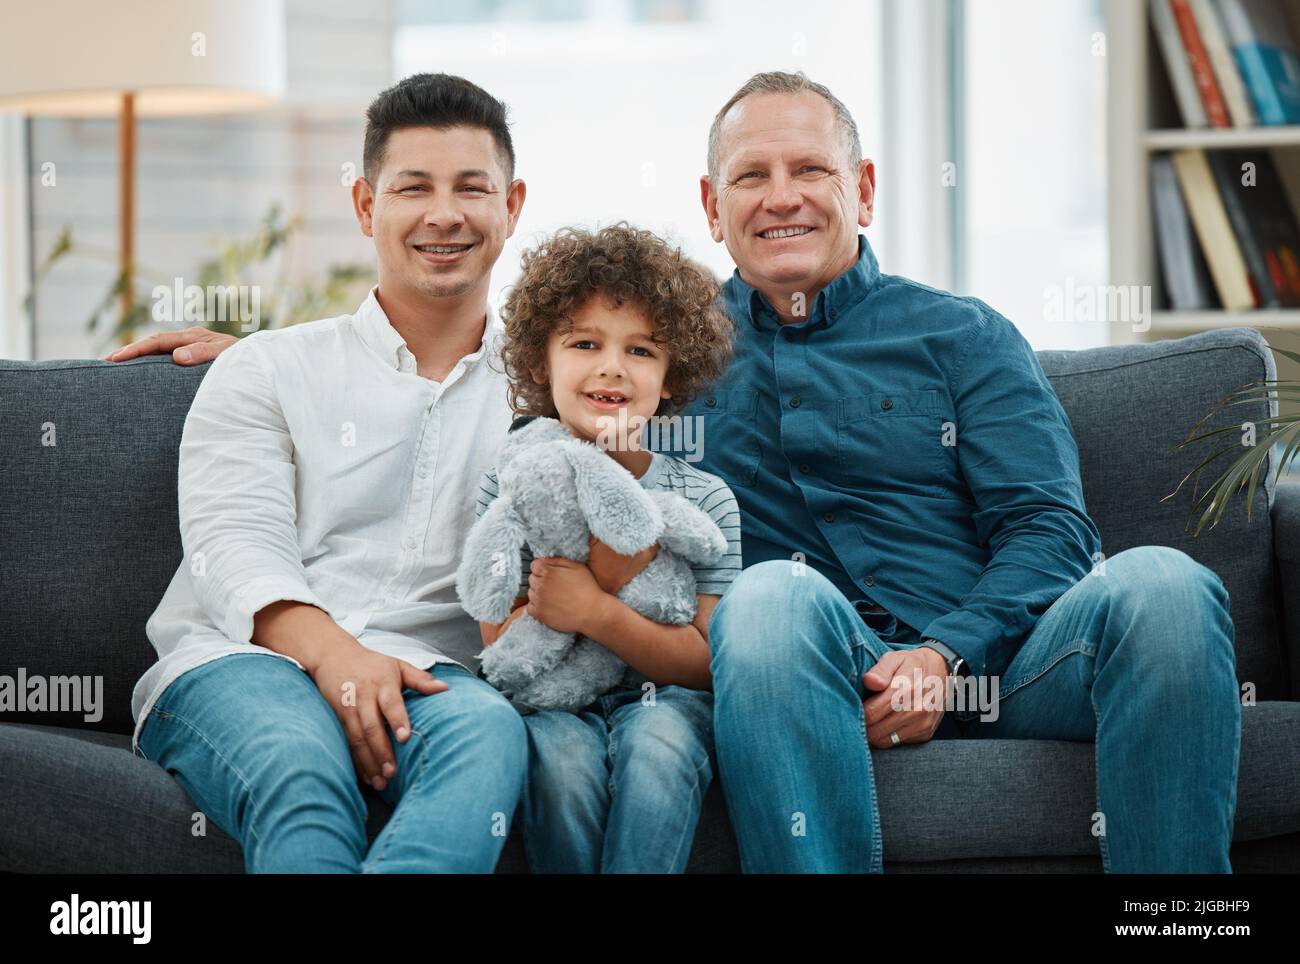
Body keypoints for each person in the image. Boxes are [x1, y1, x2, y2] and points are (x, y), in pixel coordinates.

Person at [115, 69, 1242, 876]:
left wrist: (944, 656)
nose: (781, 195)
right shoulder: (672, 349)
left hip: (997, 658)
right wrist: (257, 350)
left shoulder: (962, 336)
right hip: (797, 665)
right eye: (750, 174)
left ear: (865, 184)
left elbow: (1050, 534)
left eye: (811, 169)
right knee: (769, 595)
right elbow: (550, 356)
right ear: (712, 207)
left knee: (1161, 582)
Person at [128, 73, 539, 873]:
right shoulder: (268, 369)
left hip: (436, 678)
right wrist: (340, 658)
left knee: (492, 735)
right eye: (412, 187)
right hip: (241, 664)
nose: (444, 214)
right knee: (302, 770)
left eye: (471, 188)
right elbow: (232, 547)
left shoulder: (551, 395)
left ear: (513, 206)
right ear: (364, 206)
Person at [474, 224, 739, 872]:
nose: (612, 366)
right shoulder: (511, 482)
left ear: (672, 374)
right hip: (552, 699)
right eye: (584, 343)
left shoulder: (706, 500)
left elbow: (707, 664)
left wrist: (598, 610)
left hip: (670, 699)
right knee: (561, 767)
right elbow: (497, 643)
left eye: (642, 350)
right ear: (542, 360)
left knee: (659, 755)